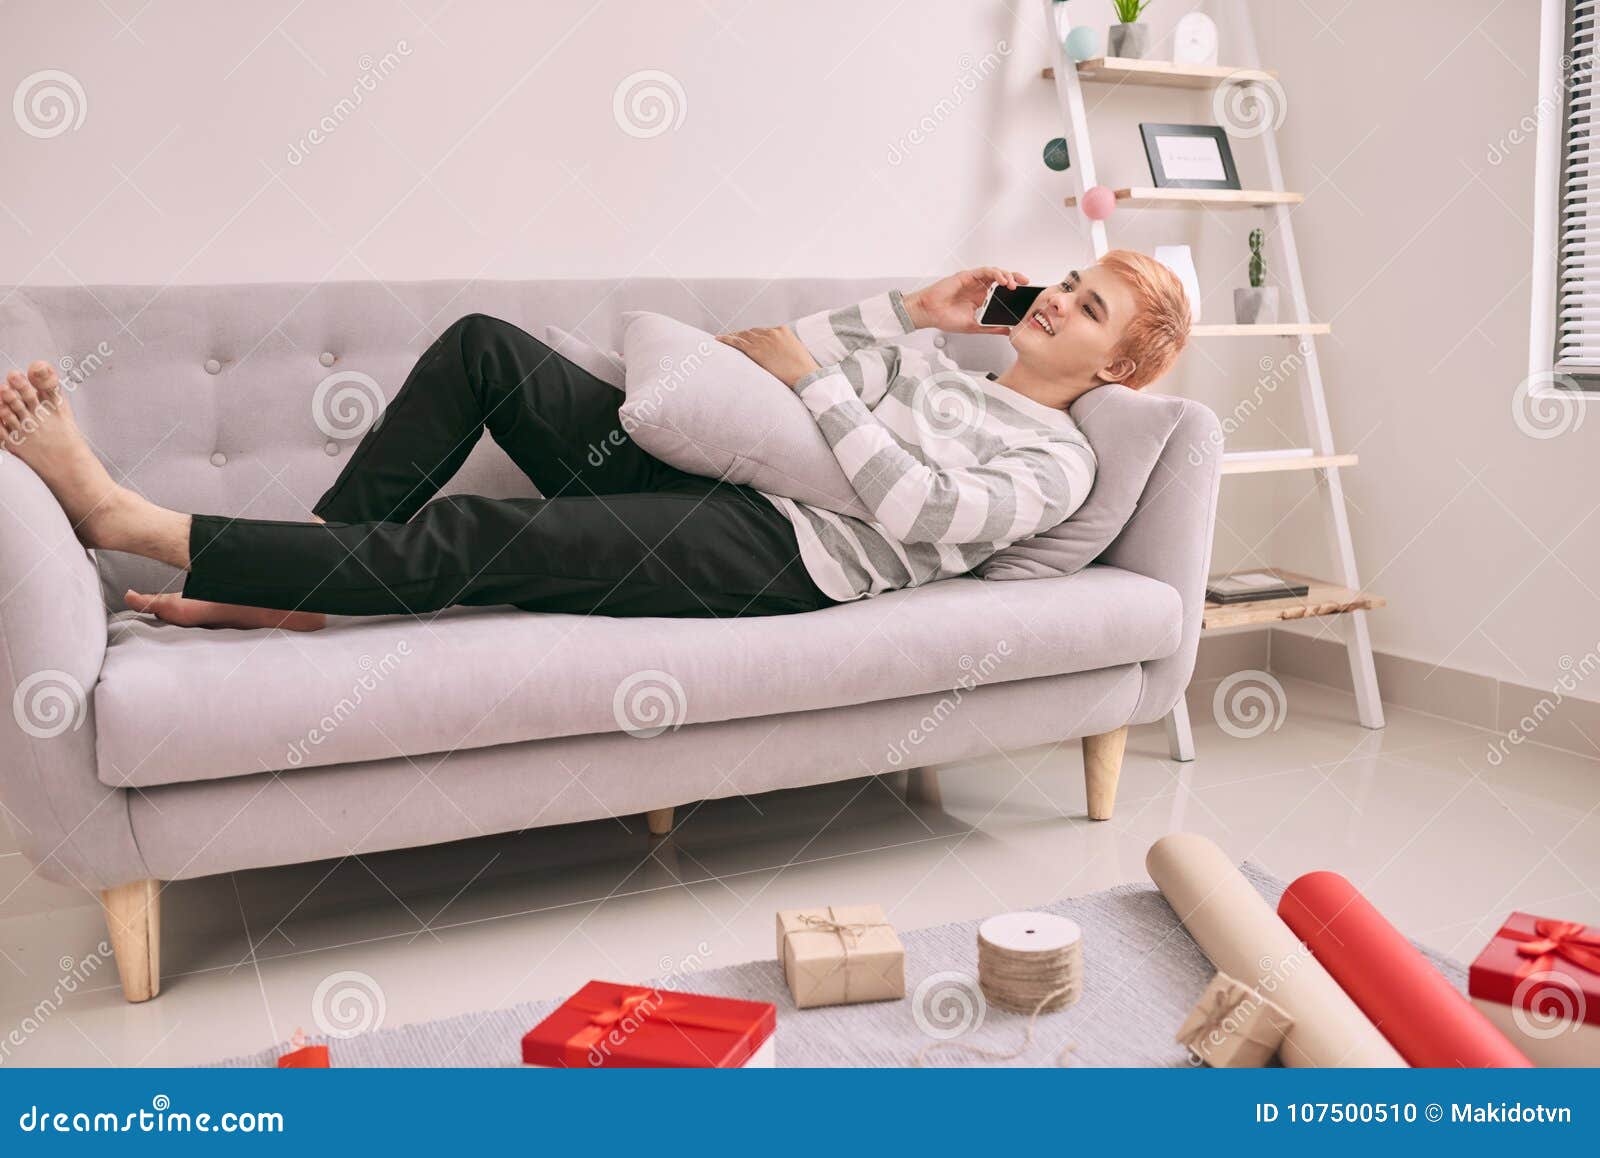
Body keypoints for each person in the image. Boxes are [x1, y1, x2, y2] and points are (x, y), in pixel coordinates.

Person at [0, 251, 1189, 632]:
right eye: (1070, 280)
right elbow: (752, 352)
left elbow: (926, 515)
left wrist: (818, 393)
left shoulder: (1061, 462)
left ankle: (134, 524)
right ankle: (309, 570)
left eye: (1089, 310)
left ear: (1121, 367)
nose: (1056, 300)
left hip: (780, 556)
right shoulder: (933, 360)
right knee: (482, 346)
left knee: (476, 530)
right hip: (716, 472)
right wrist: (905, 316)